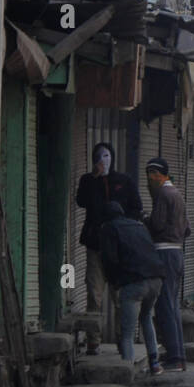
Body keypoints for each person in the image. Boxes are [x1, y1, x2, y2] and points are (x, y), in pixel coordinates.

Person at [76, 143, 141, 353]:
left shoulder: (124, 181)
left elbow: (136, 208)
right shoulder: (87, 181)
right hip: (95, 245)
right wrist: (94, 179)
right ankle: (93, 340)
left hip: (119, 250)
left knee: (120, 296)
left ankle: (125, 340)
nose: (103, 160)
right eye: (99, 156)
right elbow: (81, 201)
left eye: (106, 156)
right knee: (94, 294)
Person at [99, 200, 166, 375]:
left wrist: (114, 283)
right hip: (156, 279)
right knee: (146, 318)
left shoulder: (109, 228)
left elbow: (110, 259)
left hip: (134, 282)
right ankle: (155, 363)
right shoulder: (138, 225)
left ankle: (126, 371)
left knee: (127, 331)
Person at [144, 157, 190, 372]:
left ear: (159, 174)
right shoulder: (177, 194)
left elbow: (158, 224)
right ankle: (178, 355)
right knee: (172, 305)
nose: (149, 179)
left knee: (165, 306)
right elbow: (187, 228)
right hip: (177, 252)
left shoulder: (163, 193)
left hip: (164, 252)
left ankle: (174, 356)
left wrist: (145, 220)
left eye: (151, 174)